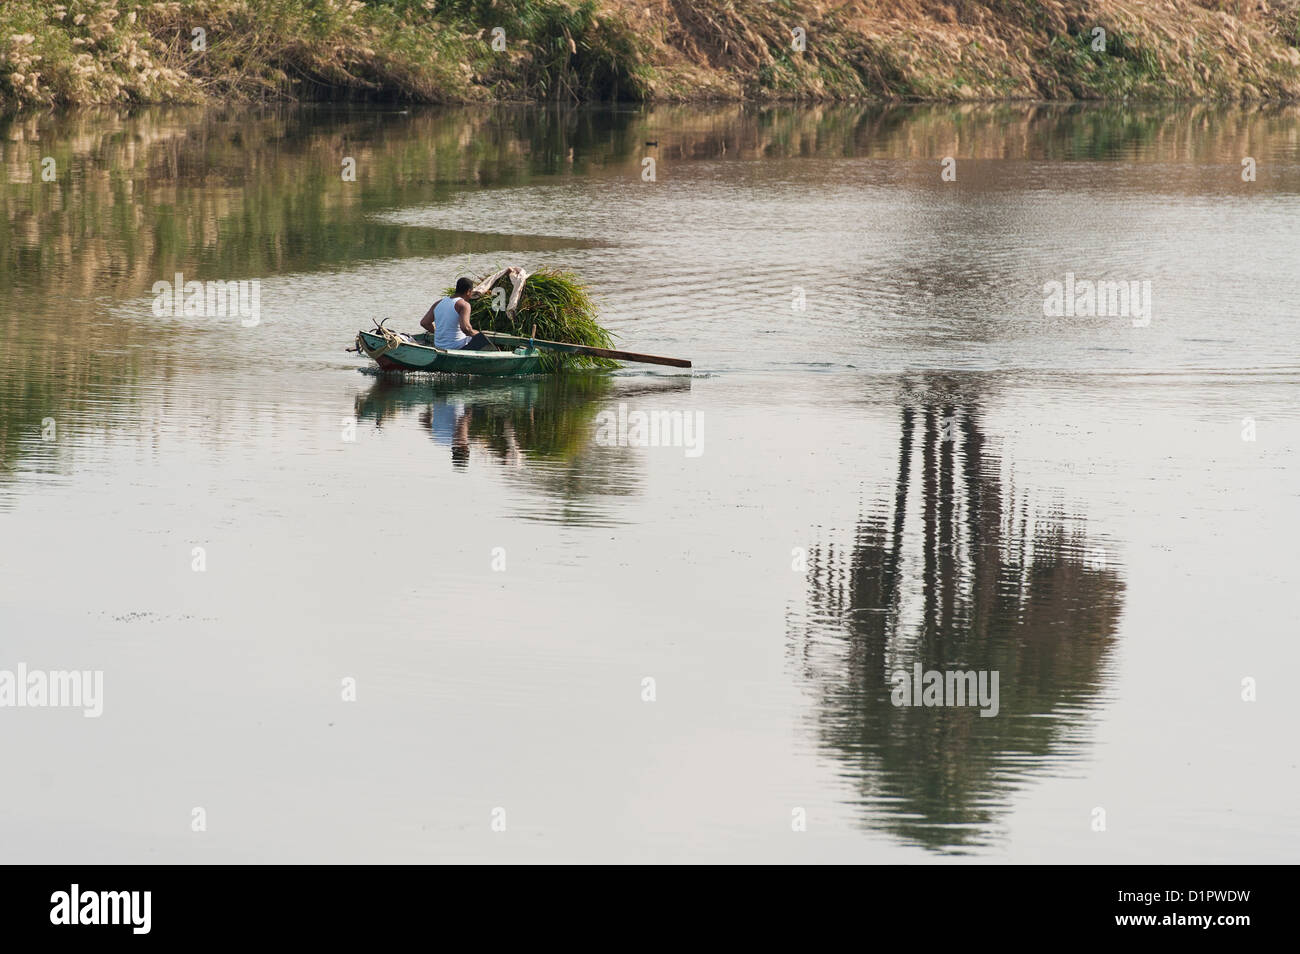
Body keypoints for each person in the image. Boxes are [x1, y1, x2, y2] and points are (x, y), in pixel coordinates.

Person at [421, 277, 494, 351]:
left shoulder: (438, 303)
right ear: (468, 291)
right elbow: (466, 328)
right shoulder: (464, 305)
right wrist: (478, 334)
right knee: (482, 338)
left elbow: (424, 323)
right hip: (457, 347)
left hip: (439, 346)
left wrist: (438, 333)